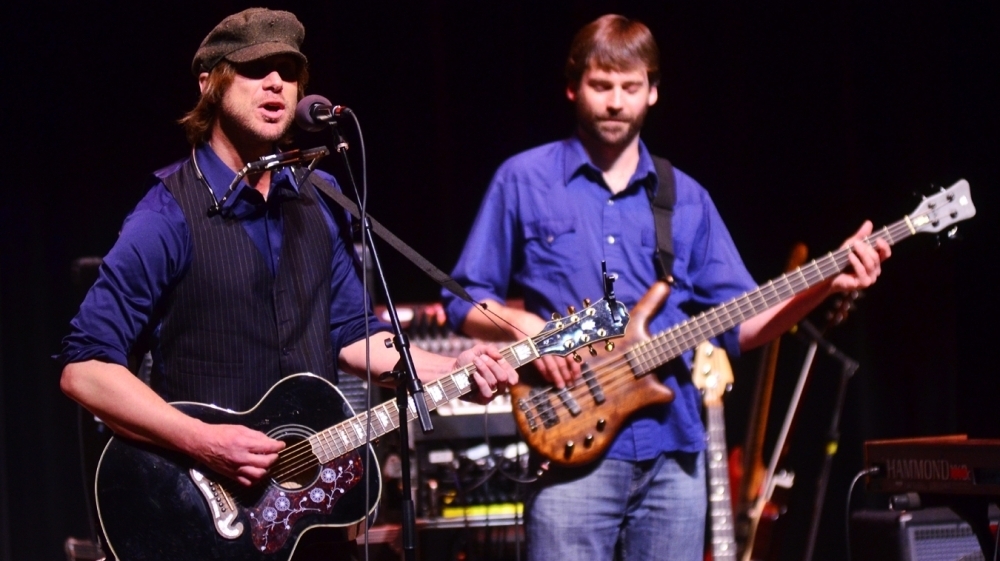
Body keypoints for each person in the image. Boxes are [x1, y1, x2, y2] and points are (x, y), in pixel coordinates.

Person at [56, 8, 516, 561]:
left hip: (303, 517)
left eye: (288, 70)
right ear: (209, 84)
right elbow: (84, 368)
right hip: (200, 515)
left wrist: (454, 367)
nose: (277, 83)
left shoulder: (320, 200)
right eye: (255, 68)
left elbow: (352, 334)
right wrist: (203, 441)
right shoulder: (167, 215)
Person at [442, 14, 889, 561]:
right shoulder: (522, 179)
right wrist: (532, 330)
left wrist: (825, 283)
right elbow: (462, 299)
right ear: (572, 86)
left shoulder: (688, 199)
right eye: (601, 86)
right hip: (567, 447)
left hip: (674, 456)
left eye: (630, 87)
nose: (614, 102)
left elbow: (743, 325)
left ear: (652, 92)